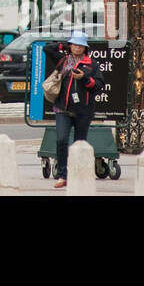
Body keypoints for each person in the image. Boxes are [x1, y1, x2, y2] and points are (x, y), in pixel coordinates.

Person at [44, 30, 101, 189]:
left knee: (80, 143)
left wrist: (83, 78)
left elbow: (98, 85)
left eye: (80, 45)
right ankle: (63, 175)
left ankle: (78, 174)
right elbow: (47, 49)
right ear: (70, 46)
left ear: (85, 48)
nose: (77, 48)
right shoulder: (63, 60)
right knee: (61, 140)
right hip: (63, 108)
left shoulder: (92, 64)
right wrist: (62, 44)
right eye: (74, 44)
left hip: (83, 111)